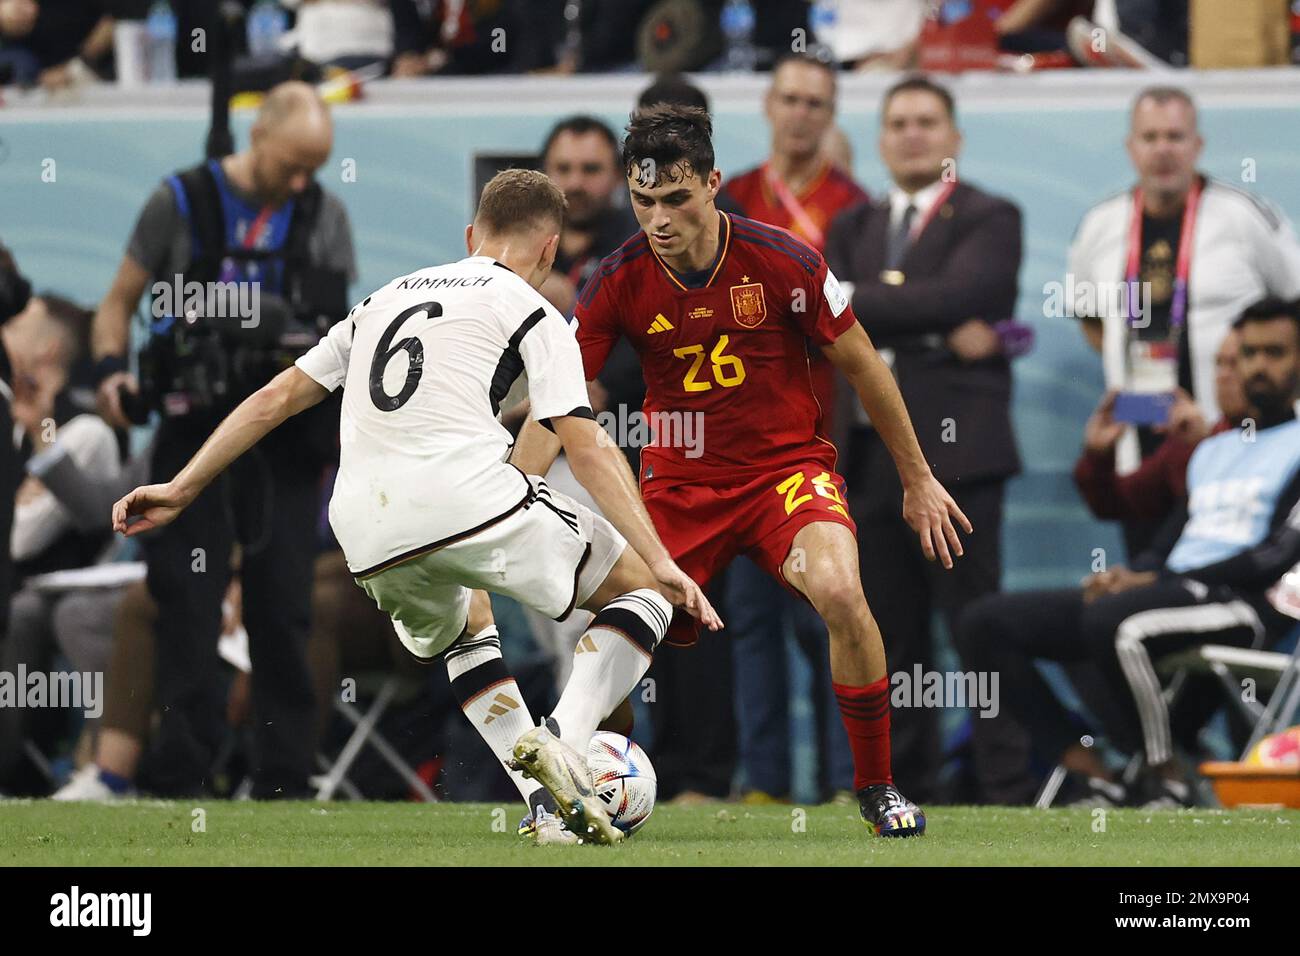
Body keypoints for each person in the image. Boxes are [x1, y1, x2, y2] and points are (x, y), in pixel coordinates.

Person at [110, 168, 721, 845]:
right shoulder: (533, 309)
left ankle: (546, 805)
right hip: (464, 494)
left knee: (468, 627)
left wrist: (182, 486)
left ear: (470, 236)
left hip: (365, 531)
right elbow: (586, 444)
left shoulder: (383, 298)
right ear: (549, 252)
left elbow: (274, 399)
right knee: (644, 596)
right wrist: (663, 560)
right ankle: (566, 744)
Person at [512, 104, 971, 836]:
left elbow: (864, 366)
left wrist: (917, 477)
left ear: (714, 185)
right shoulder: (615, 281)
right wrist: (512, 495)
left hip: (785, 474)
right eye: (643, 201)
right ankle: (587, 781)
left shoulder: (786, 260)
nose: (657, 219)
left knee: (842, 591)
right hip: (680, 487)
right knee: (620, 627)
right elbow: (555, 406)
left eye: (675, 199)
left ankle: (878, 787)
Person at [90, 81, 356, 799]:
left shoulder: (324, 215)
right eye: (291, 164)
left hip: (287, 436)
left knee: (284, 604)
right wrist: (113, 374)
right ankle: (179, 778)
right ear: (257, 136)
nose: (301, 182)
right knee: (185, 599)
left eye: (315, 167)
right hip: (192, 423)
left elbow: (336, 332)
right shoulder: (179, 200)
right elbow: (117, 303)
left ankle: (284, 781)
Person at [961, 299, 1300, 807]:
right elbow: (1169, 542)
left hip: (1242, 603)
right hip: (1171, 594)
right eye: (1244, 354)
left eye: (1272, 353)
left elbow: (1275, 556)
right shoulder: (1213, 449)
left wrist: (1161, 582)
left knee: (1116, 623)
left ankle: (1167, 775)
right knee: (984, 623)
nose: (1254, 367)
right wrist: (1132, 574)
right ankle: (1093, 772)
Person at [824, 75, 1026, 803]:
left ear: (954, 138)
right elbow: (826, 308)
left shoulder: (992, 215)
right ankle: (900, 788)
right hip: (870, 458)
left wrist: (865, 299)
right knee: (891, 636)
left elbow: (971, 295)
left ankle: (1007, 788)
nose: (913, 133)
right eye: (899, 121)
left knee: (978, 632)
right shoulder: (851, 223)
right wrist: (934, 324)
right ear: (880, 140)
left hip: (961, 459)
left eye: (928, 121)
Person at [722, 53, 869, 802]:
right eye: (791, 99)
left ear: (831, 113)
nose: (802, 113)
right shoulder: (734, 196)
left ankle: (847, 783)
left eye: (817, 102)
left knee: (829, 615)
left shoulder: (856, 206)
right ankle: (766, 786)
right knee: (751, 627)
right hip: (734, 446)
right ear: (768, 106)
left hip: (821, 440)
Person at [1068, 85, 1300, 553]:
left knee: (1232, 575)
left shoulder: (1245, 216)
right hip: (1141, 451)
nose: (1163, 150)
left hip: (1239, 448)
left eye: (1175, 136)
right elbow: (1092, 321)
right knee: (1148, 578)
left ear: (1198, 145)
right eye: (1150, 137)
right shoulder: (1100, 224)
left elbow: (1292, 306)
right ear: (1131, 147)